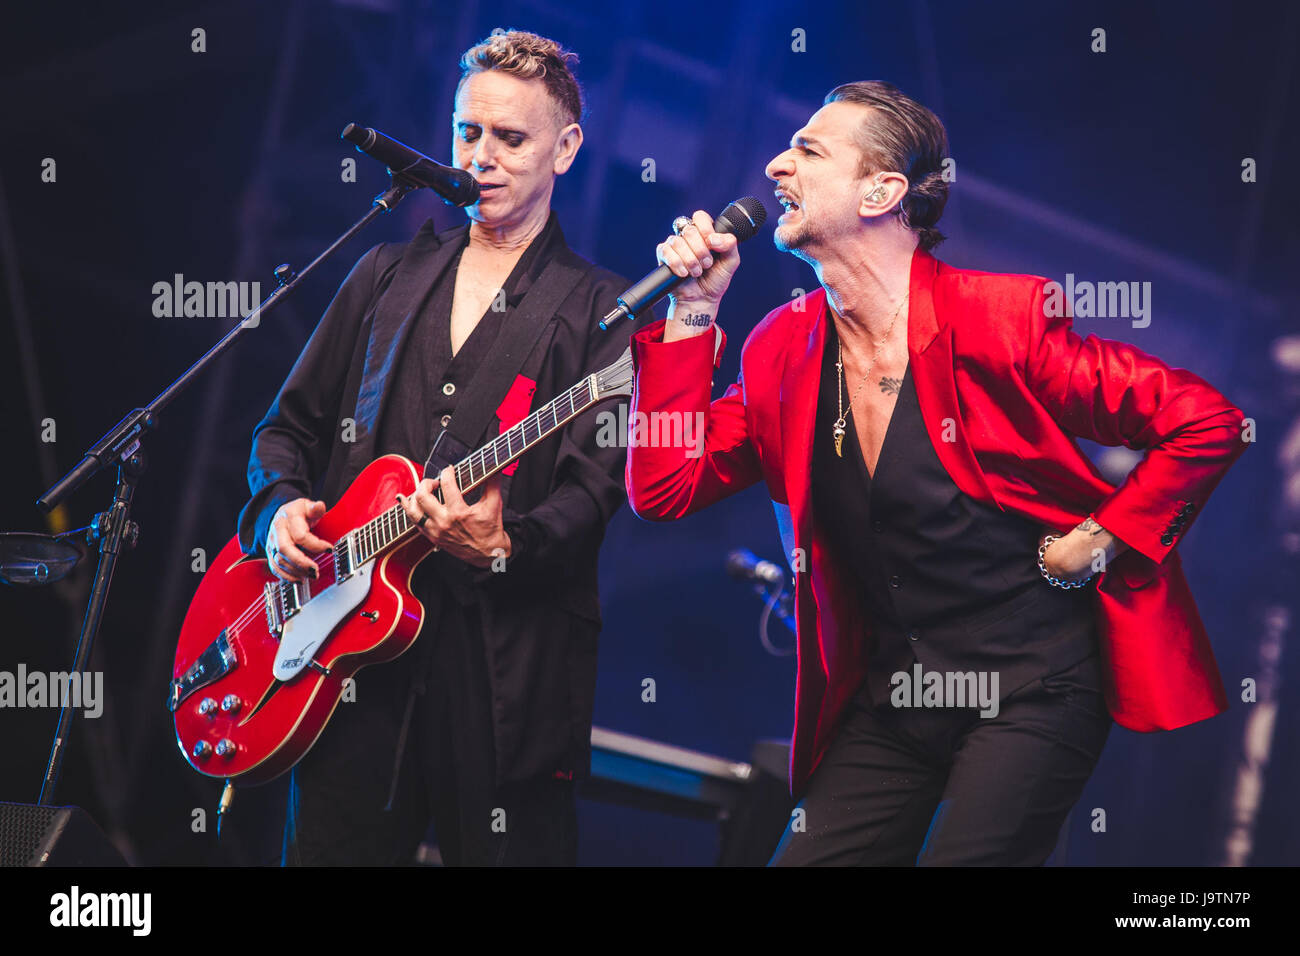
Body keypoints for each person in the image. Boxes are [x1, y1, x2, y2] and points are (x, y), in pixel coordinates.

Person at [624, 80, 1250, 865]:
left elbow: (1207, 421)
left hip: (1033, 689)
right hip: (894, 699)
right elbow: (664, 488)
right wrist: (691, 316)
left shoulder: (1000, 322)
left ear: (884, 191)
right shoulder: (781, 346)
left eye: (809, 150)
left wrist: (1102, 537)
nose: (777, 165)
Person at [237, 30, 632, 866]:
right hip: (351, 659)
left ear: (566, 149)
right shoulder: (385, 272)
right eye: (467, 133)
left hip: (503, 676)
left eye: (511, 139)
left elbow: (594, 494)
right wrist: (277, 514)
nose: (482, 157)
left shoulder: (604, 309)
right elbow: (286, 428)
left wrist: (506, 542)